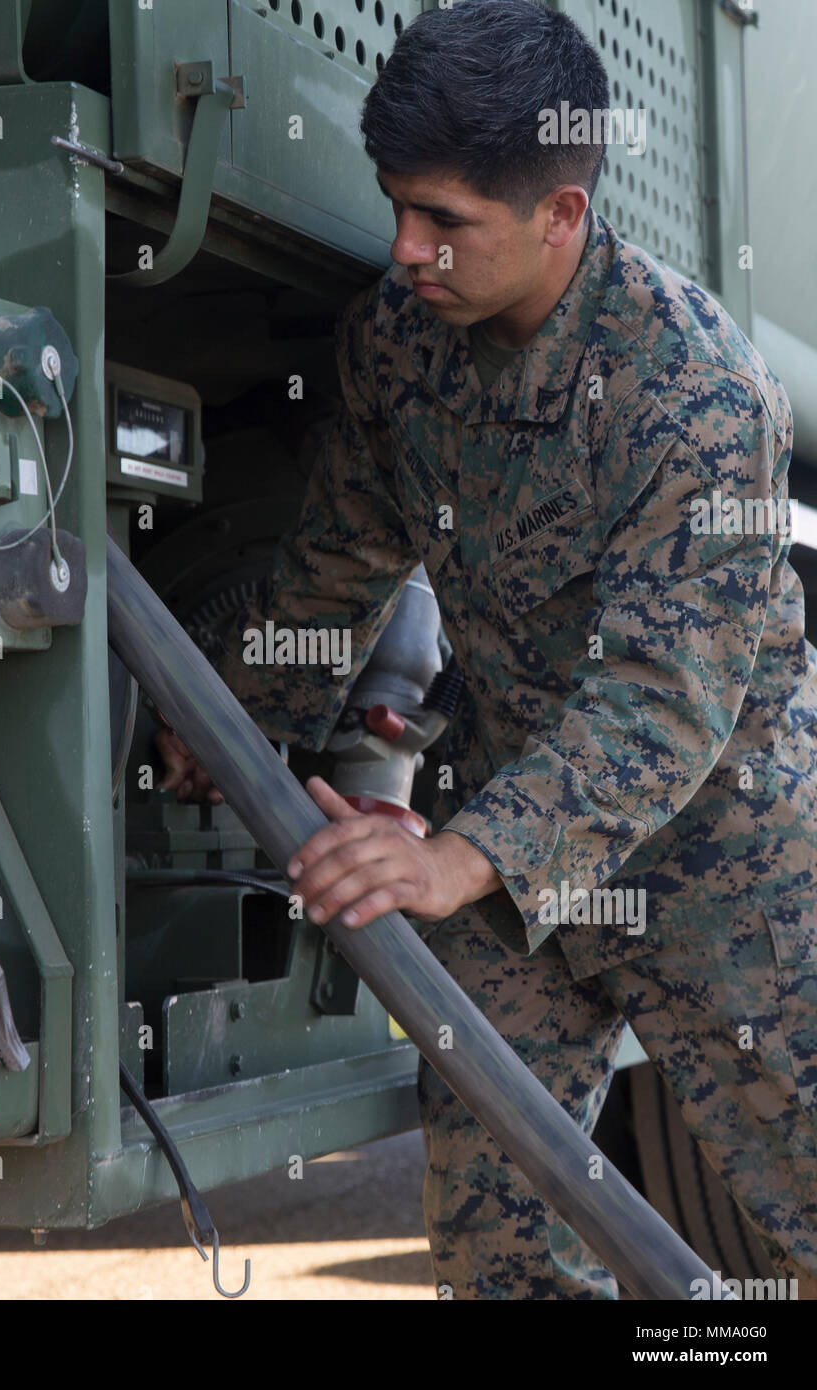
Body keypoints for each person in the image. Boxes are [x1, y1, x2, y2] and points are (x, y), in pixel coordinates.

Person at [156, 0, 817, 1299]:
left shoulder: (696, 396)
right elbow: (340, 562)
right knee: (500, 1241)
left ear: (562, 215)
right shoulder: (399, 350)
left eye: (445, 221)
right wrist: (231, 722)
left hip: (720, 866)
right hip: (518, 871)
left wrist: (452, 860)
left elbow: (658, 713)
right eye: (397, 206)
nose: (405, 249)